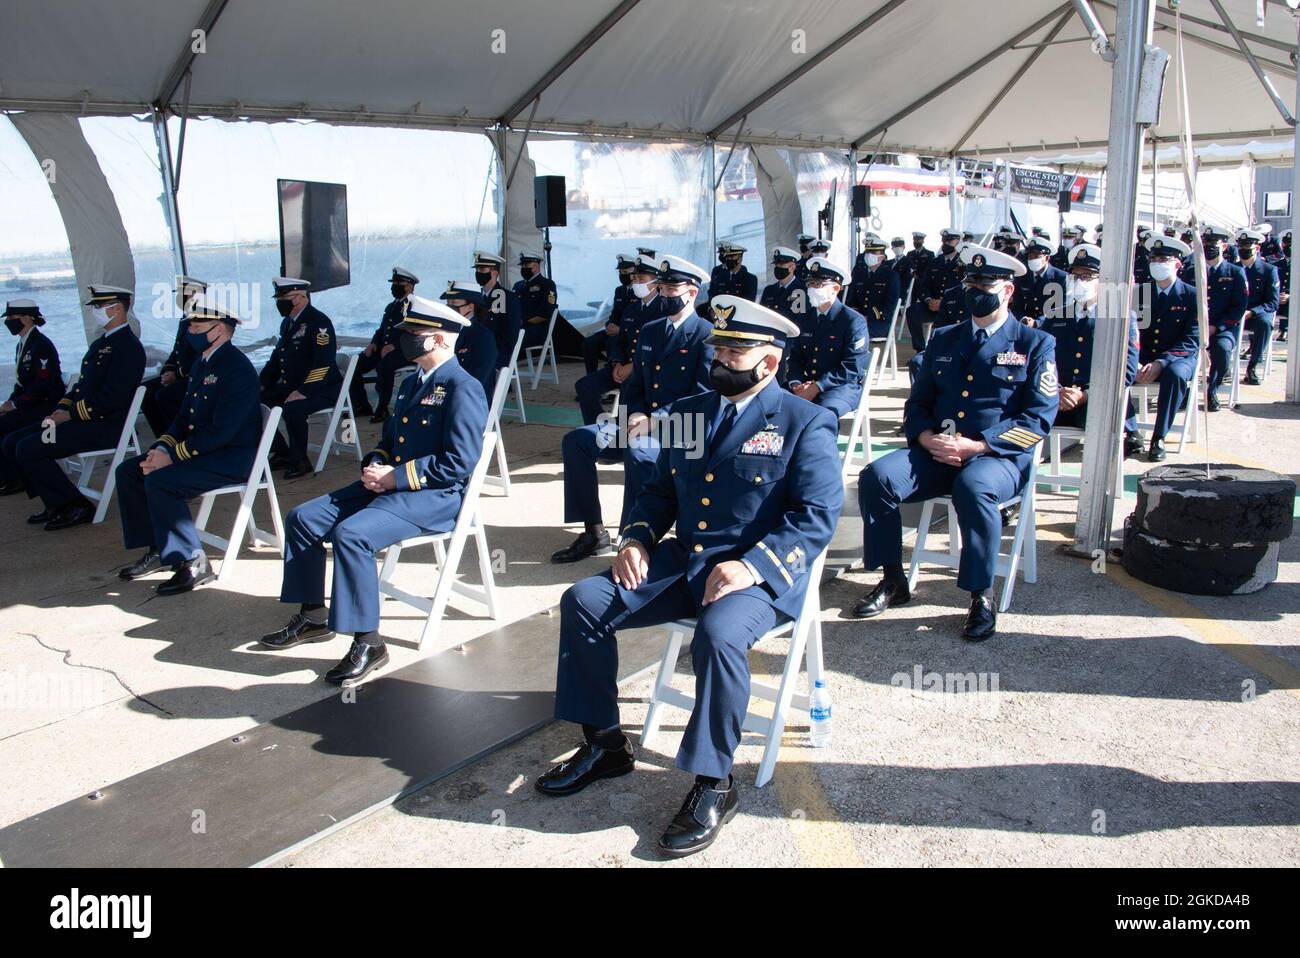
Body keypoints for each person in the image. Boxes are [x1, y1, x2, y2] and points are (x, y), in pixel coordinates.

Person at [535, 295, 843, 858]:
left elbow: (815, 517)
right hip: (690, 558)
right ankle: (605, 743)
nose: (718, 359)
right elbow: (657, 491)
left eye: (732, 351)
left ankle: (714, 782)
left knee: (719, 635)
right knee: (583, 600)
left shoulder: (805, 421)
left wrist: (752, 566)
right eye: (717, 347)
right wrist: (636, 538)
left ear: (768, 362)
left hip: (757, 574)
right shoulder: (692, 412)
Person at [260, 297, 488, 686]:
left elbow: (459, 463)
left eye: (414, 334)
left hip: (436, 497)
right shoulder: (409, 381)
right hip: (393, 486)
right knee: (303, 518)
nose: (407, 341)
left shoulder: (462, 387)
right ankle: (314, 616)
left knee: (353, 535)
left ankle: (368, 641)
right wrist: (375, 464)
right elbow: (389, 442)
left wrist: (394, 477)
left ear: (438, 340)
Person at [852, 245, 1057, 641]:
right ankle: (893, 579)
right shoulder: (945, 337)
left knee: (973, 485)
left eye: (985, 284)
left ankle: (981, 594)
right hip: (937, 451)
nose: (975, 291)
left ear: (1008, 291)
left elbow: (1038, 420)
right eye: (971, 283)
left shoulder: (1034, 343)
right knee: (876, 475)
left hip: (997, 459)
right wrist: (927, 437)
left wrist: (978, 446)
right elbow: (918, 402)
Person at [551, 255, 713, 564]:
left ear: (692, 292)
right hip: (636, 421)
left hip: (681, 429)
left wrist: (654, 420)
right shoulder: (651, 330)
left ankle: (633, 538)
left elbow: (702, 397)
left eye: (670, 290)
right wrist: (635, 414)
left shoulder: (706, 335)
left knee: (639, 453)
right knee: (578, 441)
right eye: (662, 288)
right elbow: (636, 383)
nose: (663, 295)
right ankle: (593, 532)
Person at [115, 295, 262, 595]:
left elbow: (221, 433)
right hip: (205, 451)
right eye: (190, 325)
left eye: (197, 326)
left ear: (219, 329)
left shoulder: (236, 369)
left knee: (161, 481)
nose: (190, 332)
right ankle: (160, 546)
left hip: (231, 458)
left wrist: (174, 457)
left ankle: (193, 562)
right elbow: (183, 418)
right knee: (130, 471)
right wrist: (163, 448)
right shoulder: (203, 364)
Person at [2, 285, 145, 530]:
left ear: (118, 308)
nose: (95, 311)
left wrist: (70, 415)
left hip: (100, 426)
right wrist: (61, 409)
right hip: (80, 421)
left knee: (30, 447)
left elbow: (112, 400)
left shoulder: (127, 347)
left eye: (100, 306)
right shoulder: (103, 343)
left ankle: (75, 505)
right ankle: (55, 502)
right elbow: (80, 387)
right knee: (15, 441)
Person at [1038, 244, 1141, 455]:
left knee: (1101, 433)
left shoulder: (1119, 317)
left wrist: (1085, 395)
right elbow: (1042, 361)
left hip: (1095, 400)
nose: (1079, 282)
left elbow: (1127, 372)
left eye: (1087, 277)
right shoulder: (1055, 315)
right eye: (1075, 276)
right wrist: (1056, 389)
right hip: (1058, 398)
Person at [258, 277, 342, 479]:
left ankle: (300, 460)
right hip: (291, 386)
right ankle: (282, 452)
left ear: (299, 297)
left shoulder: (319, 322)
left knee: (292, 410)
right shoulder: (288, 323)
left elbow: (323, 363)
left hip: (321, 389)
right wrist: (261, 383)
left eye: (284, 298)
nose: (280, 302)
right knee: (253, 405)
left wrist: (303, 391)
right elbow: (277, 359)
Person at [575, 253, 666, 426]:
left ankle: (623, 438)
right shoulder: (631, 309)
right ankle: (598, 430)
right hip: (622, 367)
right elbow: (619, 340)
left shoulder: (664, 309)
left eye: (641, 278)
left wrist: (632, 367)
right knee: (584, 386)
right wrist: (617, 362)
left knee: (629, 394)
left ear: (655, 282)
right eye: (635, 278)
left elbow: (659, 347)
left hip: (646, 371)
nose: (636, 282)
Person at [1134, 235, 1199, 461]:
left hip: (1178, 357)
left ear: (1178, 264)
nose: (1157, 264)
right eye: (1154, 259)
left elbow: (1192, 340)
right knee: (1115, 370)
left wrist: (1161, 363)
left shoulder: (1192, 295)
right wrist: (1136, 361)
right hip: (1143, 355)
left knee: (1175, 375)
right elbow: (1128, 334)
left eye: (1164, 259)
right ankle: (1131, 432)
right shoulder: (1139, 292)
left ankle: (1158, 437)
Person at [785, 257, 869, 417]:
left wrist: (818, 386)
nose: (812, 288)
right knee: (774, 403)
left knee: (823, 413)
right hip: (805, 383)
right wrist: (795, 383)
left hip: (840, 387)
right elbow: (796, 358)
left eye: (819, 284)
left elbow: (851, 367)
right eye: (810, 283)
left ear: (836, 288)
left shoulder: (852, 321)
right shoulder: (805, 318)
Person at [0, 299, 65, 496]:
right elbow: (22, 384)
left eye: (13, 317)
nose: (8, 321)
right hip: (32, 403)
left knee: (4, 428)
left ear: (27, 318)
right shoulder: (23, 345)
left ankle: (14, 478)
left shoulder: (41, 345)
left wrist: (16, 404)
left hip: (46, 408)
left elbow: (42, 387)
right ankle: (10, 475)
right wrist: (9, 402)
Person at [142, 276, 207, 436]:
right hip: (182, 374)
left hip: (197, 377)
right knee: (145, 392)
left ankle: (178, 439)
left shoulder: (204, 319)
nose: (181, 298)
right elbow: (177, 350)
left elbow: (202, 356)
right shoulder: (186, 318)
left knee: (165, 396)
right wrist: (167, 370)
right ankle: (163, 438)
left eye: (185, 294)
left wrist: (177, 375)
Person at [350, 267, 417, 423]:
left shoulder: (415, 307)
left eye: (400, 283)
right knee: (355, 364)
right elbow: (382, 329)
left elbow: (415, 333)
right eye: (394, 282)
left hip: (406, 351)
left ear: (410, 286)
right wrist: (373, 343)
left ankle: (382, 407)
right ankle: (362, 404)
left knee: (385, 366)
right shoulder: (392, 306)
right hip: (384, 348)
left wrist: (395, 346)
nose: (395, 286)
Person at [1195, 226, 1248, 411]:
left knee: (1222, 348)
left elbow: (1238, 308)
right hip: (1195, 326)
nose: (1209, 247)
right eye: (1206, 243)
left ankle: (1212, 390)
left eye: (1213, 244)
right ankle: (1185, 390)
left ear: (1223, 246)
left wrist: (1216, 327)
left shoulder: (1235, 272)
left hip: (1221, 329)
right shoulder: (1192, 271)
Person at [905, 228, 964, 351]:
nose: (946, 244)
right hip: (933, 306)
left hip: (954, 307)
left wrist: (944, 302)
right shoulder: (935, 262)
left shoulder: (963, 263)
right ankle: (920, 350)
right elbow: (924, 285)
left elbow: (965, 289)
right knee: (912, 311)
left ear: (959, 242)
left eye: (950, 241)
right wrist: (928, 300)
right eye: (944, 240)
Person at [440, 282, 499, 399]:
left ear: (471, 306)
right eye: (448, 303)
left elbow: (478, 377)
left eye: (454, 303)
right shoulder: (444, 331)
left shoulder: (482, 336)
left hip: (467, 398)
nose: (449, 307)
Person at [1236, 228, 1279, 386]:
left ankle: (1252, 366)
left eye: (1248, 249)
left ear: (1257, 249)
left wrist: (1252, 312)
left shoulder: (1269, 271)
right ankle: (1223, 366)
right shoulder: (1232, 269)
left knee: (1265, 324)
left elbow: (1272, 302)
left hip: (1255, 315)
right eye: (1241, 248)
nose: (1244, 252)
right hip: (1235, 314)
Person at [582, 254, 636, 374]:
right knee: (589, 342)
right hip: (615, 330)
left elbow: (640, 319)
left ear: (634, 272)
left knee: (613, 342)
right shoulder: (620, 290)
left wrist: (621, 329)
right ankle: (591, 376)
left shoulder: (640, 291)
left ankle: (613, 376)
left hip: (630, 332)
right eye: (621, 272)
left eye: (626, 271)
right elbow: (615, 314)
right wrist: (610, 324)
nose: (623, 275)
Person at [473, 251, 523, 369]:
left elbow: (510, 335)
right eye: (477, 270)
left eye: (482, 270)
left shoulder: (508, 298)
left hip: (496, 353)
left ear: (495, 273)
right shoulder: (475, 298)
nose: (478, 273)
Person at [845, 233, 900, 339]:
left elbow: (890, 307)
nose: (869, 255)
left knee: (850, 332)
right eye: (867, 252)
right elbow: (852, 301)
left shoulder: (891, 276)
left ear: (882, 257)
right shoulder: (859, 274)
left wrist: (869, 316)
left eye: (873, 252)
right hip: (858, 320)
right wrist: (857, 316)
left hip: (879, 322)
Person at [1013, 236, 1068, 326]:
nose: (1031, 258)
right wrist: (1023, 318)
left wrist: (1038, 322)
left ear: (1047, 258)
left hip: (1050, 326)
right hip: (1026, 325)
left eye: (1036, 255)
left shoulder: (1062, 278)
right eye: (1029, 255)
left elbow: (1061, 309)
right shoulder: (1022, 276)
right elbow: (1017, 305)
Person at [515, 250, 558, 350]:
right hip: (519, 328)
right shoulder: (518, 286)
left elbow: (545, 312)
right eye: (522, 266)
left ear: (536, 266)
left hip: (536, 329)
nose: (523, 268)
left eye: (527, 265)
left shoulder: (547, 284)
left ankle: (504, 364)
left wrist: (523, 321)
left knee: (508, 336)